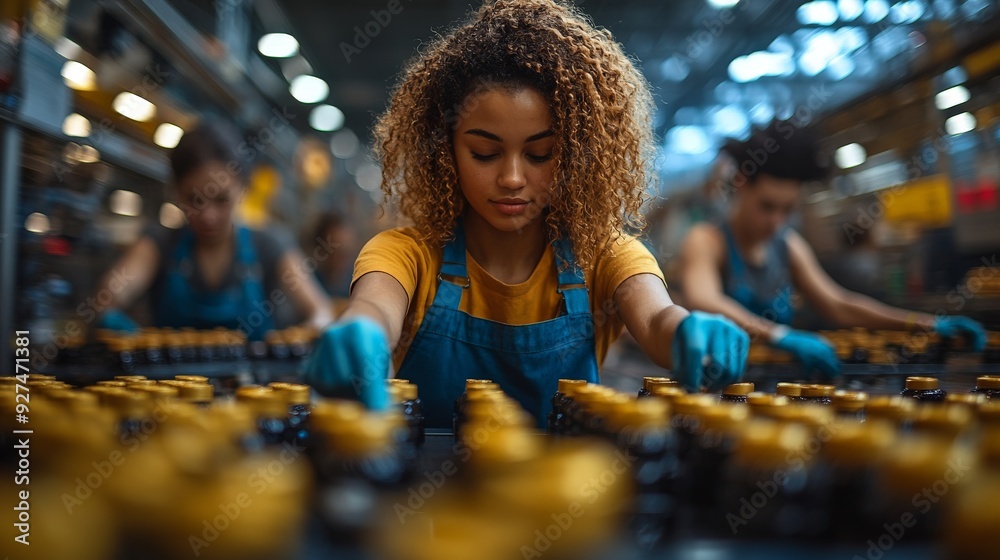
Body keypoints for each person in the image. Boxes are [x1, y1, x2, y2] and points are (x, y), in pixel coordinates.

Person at [304, 0, 749, 424]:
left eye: (541, 154)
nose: (513, 178)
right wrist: (361, 333)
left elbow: (655, 319)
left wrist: (689, 331)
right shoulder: (406, 255)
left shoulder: (604, 256)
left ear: (577, 155)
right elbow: (376, 311)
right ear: (446, 151)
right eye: (484, 153)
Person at [678, 120, 986, 378]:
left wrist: (926, 323)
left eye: (787, 209)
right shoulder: (706, 240)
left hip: (778, 384)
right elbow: (704, 299)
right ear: (742, 184)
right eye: (767, 206)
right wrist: (780, 335)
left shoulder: (787, 245)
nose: (776, 221)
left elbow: (838, 303)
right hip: (714, 379)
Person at [94, 123, 333, 340]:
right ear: (176, 192)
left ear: (242, 189)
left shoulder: (269, 245)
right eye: (194, 200)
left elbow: (321, 311)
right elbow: (107, 297)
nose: (208, 216)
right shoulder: (160, 244)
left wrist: (310, 332)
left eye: (221, 200)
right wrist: (109, 316)